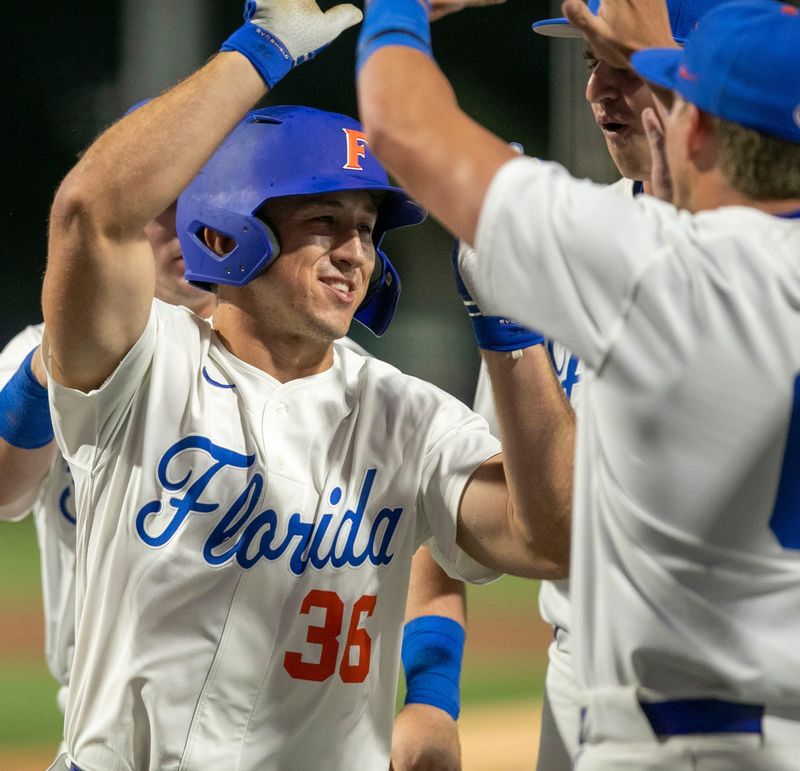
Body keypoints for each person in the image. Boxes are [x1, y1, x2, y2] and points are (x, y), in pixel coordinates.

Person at [41, 2, 572, 769]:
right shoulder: (144, 367)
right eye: (325, 220)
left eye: (367, 227)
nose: (355, 252)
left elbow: (550, 538)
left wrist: (511, 329)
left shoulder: (407, 415)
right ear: (225, 231)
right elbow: (90, 212)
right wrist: (264, 47)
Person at [357, 0, 800, 768]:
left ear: (693, 123)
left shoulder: (643, 265)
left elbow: (406, 124)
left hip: (676, 732)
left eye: (638, 71)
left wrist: (401, 7)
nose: (601, 92)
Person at [466, 1, 723, 767]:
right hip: (582, 679)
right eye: (589, 63)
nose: (596, 91)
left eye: (625, 62)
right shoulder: (566, 240)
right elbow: (503, 505)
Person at [0, 203, 216, 759]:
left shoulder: (310, 368)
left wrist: (429, 695)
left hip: (269, 721)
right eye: (165, 210)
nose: (193, 228)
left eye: (208, 202)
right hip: (105, 733)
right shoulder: (37, 355)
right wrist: (57, 362)